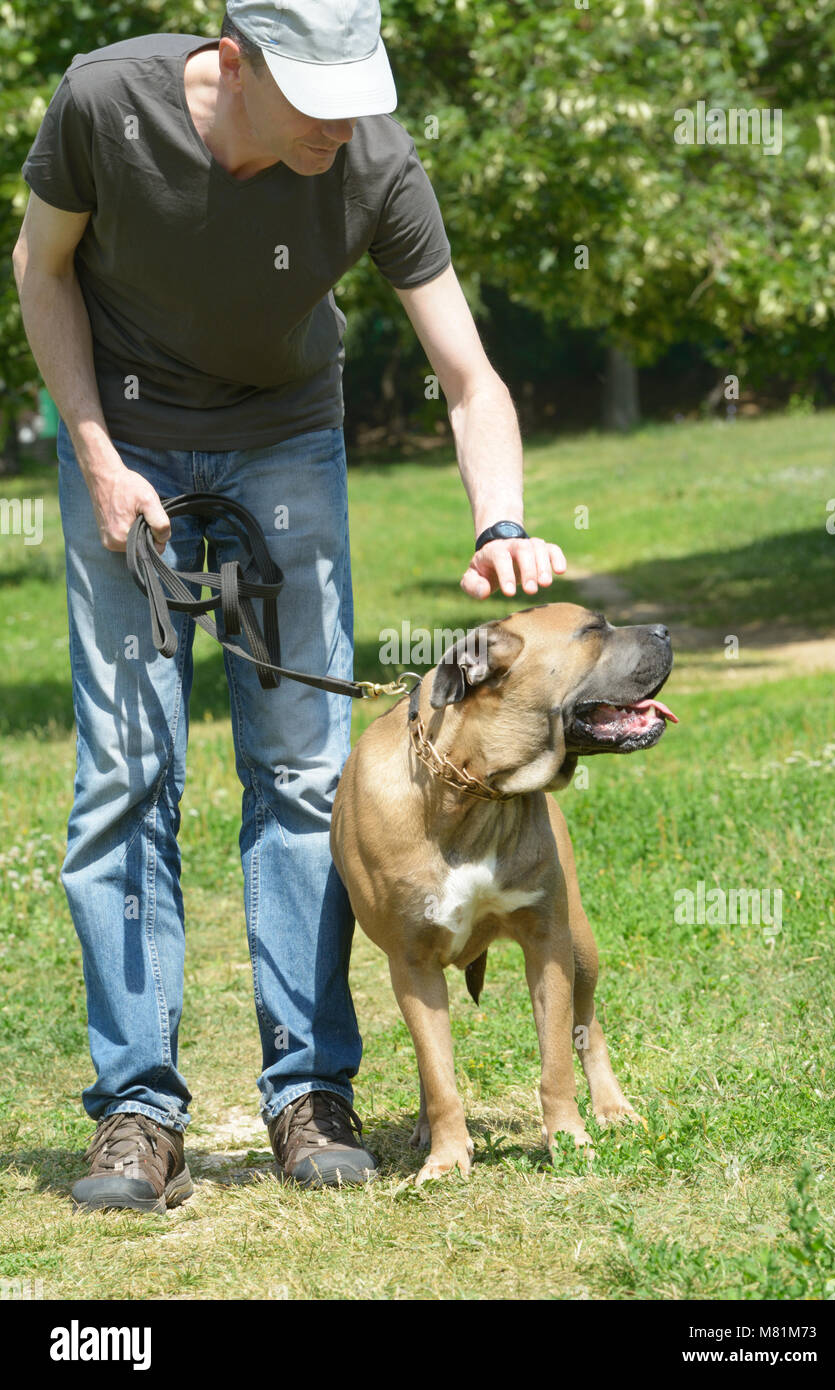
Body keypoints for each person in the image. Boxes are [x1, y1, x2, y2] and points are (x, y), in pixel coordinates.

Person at [12, 0, 567, 1211]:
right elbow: (38, 268)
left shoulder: (371, 155)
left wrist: (501, 523)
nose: (344, 119)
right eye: (319, 92)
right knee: (122, 773)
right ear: (238, 62)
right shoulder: (107, 102)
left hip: (285, 438)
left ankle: (310, 1091)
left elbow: (469, 379)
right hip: (127, 432)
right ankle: (136, 1111)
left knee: (309, 772)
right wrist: (97, 457)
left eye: (358, 88)